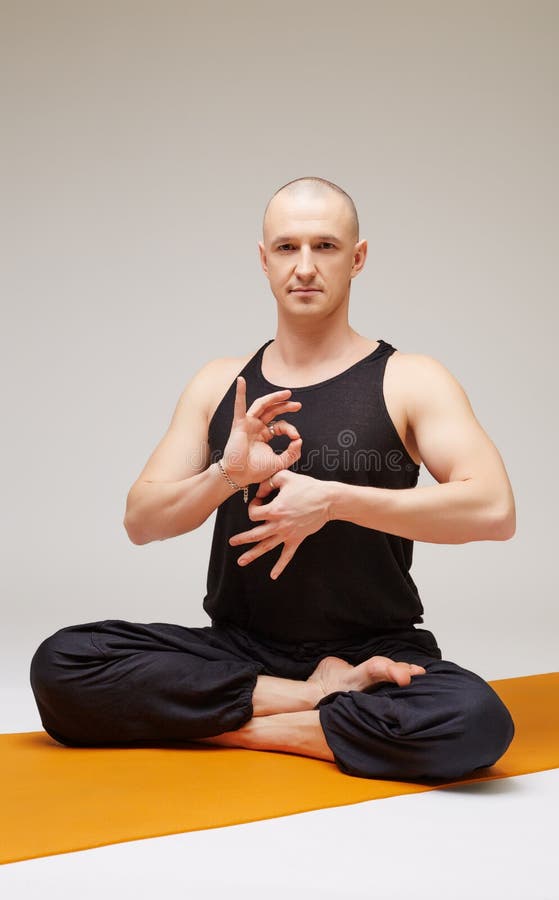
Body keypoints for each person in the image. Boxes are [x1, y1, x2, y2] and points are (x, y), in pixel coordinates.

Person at [29, 176, 517, 782]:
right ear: (264, 260)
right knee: (64, 662)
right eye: (287, 248)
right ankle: (312, 702)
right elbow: (141, 521)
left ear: (357, 258)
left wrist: (333, 501)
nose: (305, 267)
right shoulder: (219, 383)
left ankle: (237, 725)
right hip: (238, 651)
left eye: (326, 247)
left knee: (475, 720)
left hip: (375, 651)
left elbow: (494, 510)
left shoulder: (411, 379)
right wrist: (225, 476)